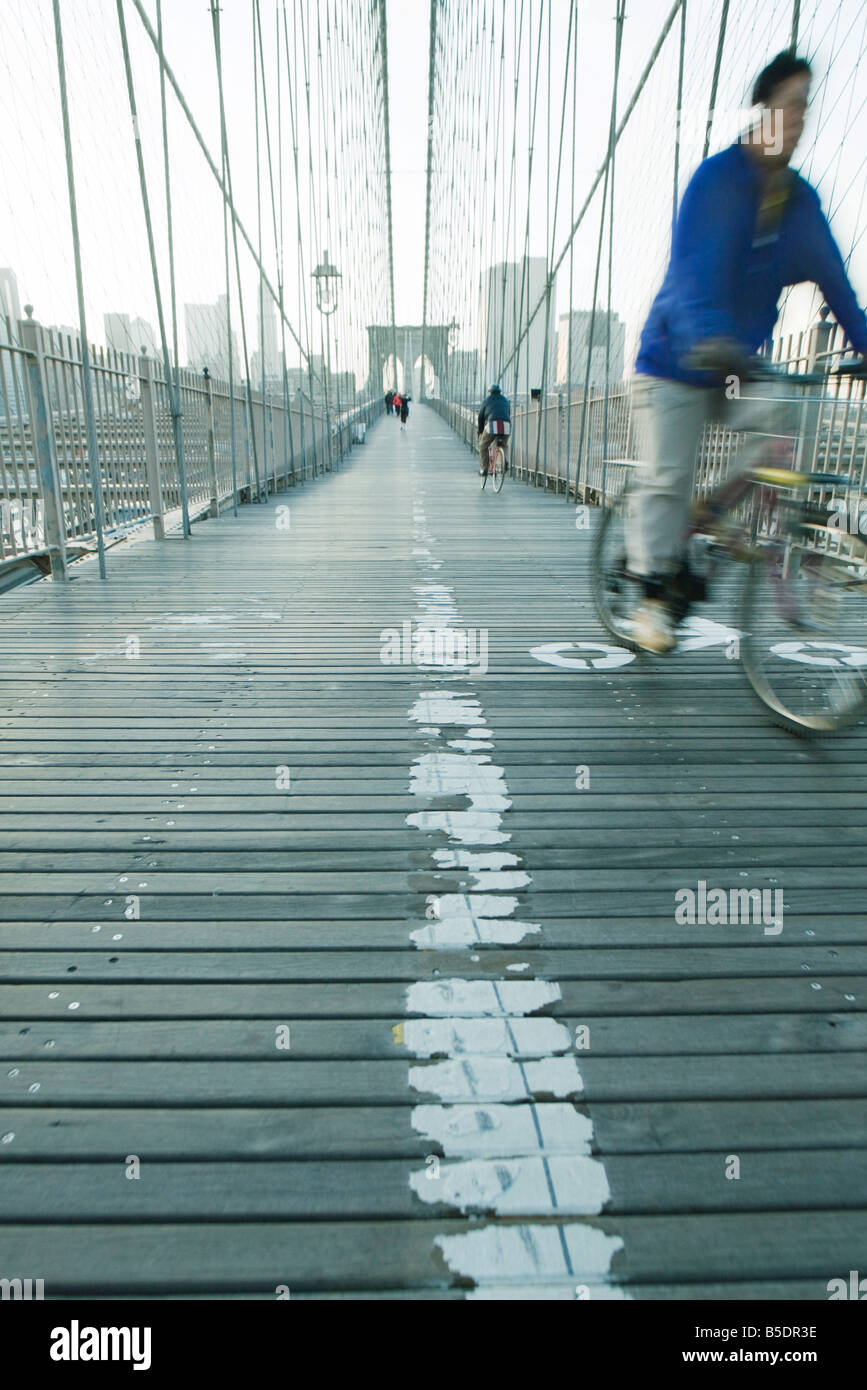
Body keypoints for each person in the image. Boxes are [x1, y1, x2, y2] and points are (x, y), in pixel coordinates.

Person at [626, 50, 867, 654]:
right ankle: (653, 596)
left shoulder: (802, 207)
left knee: (780, 413)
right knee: (668, 476)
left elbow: (840, 290)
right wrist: (711, 337)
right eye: (789, 105)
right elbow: (691, 277)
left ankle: (719, 512)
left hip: (736, 373)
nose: (799, 119)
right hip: (676, 362)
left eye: (806, 106)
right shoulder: (715, 181)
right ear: (763, 110)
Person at [477, 383, 511, 475]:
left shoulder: (486, 401)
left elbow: (480, 418)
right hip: (506, 425)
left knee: (483, 446)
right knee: (503, 444)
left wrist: (480, 431)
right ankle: (505, 461)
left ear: (490, 392)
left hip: (492, 425)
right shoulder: (505, 400)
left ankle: (484, 469)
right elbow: (508, 414)